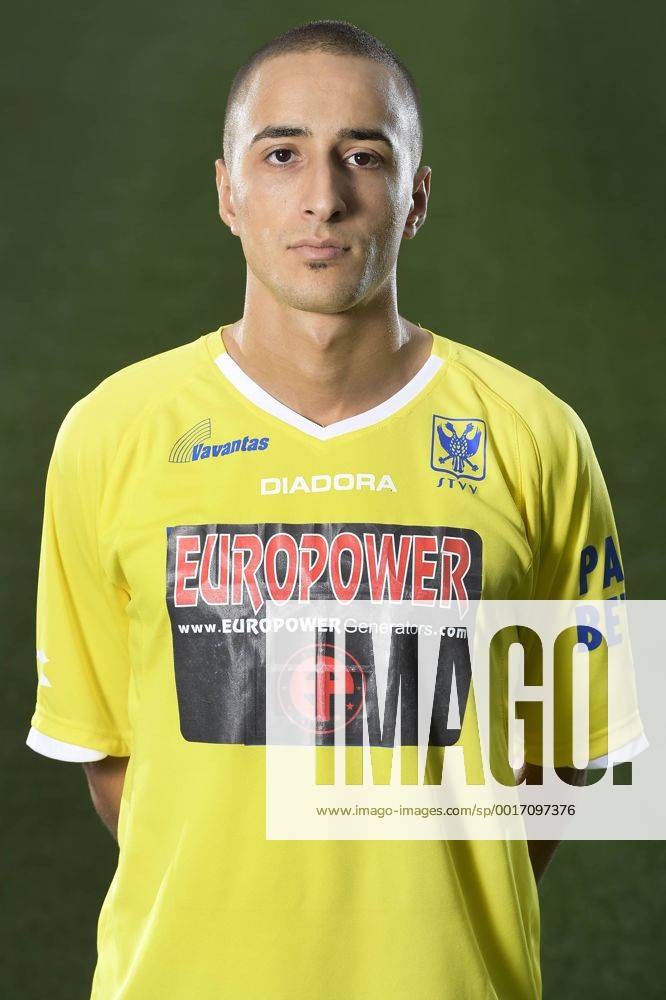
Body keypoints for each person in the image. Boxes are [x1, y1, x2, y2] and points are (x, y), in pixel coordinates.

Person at [26, 19, 647, 1000]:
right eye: (282, 154)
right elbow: (111, 755)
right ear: (228, 191)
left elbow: (569, 758)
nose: (323, 196)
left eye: (364, 155)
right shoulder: (109, 432)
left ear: (417, 198)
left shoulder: (539, 436)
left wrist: (439, 900)